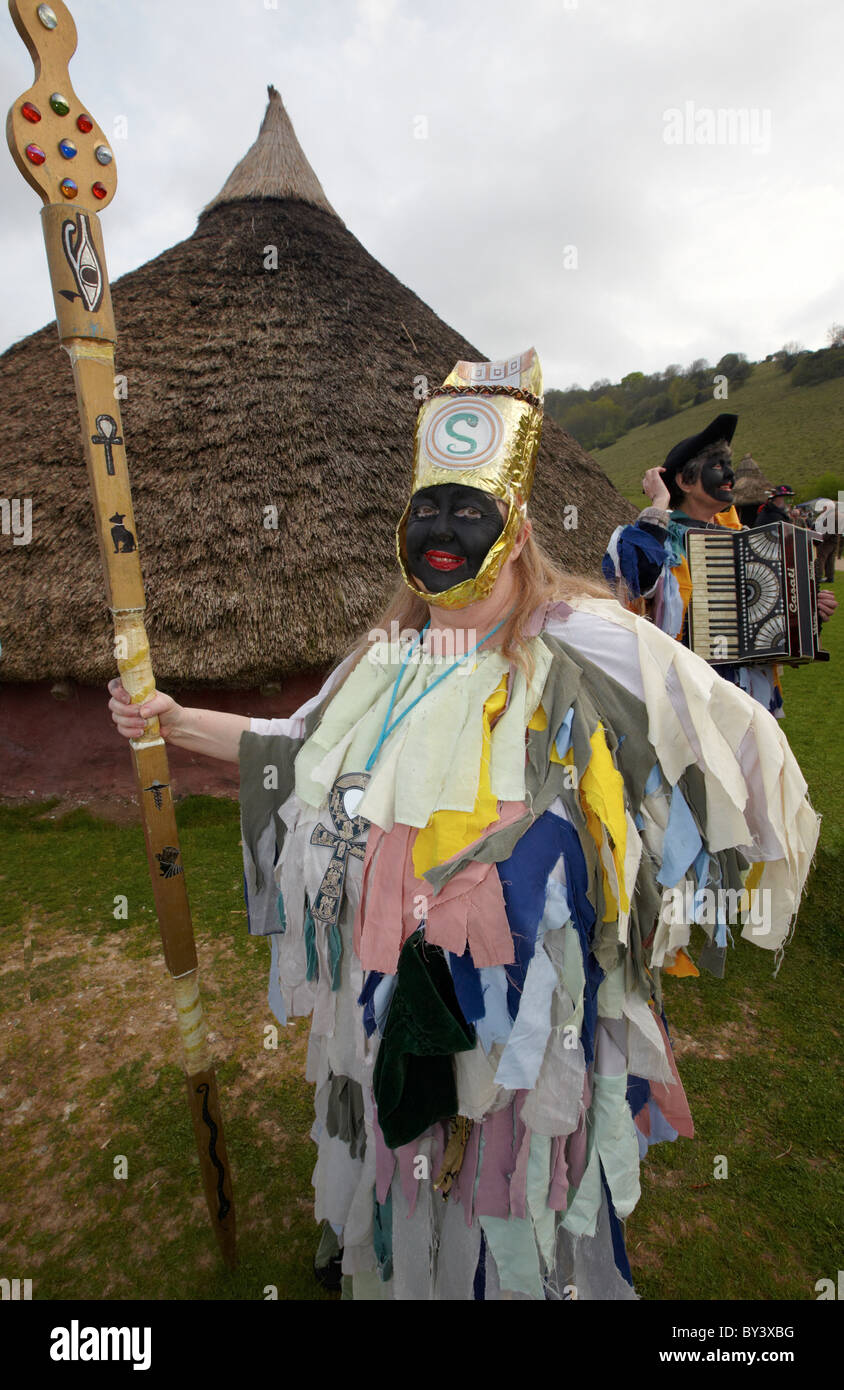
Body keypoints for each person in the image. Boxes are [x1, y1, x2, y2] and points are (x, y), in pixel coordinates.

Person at [109, 355, 819, 1300]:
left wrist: (686, 866)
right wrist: (169, 718)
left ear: (517, 530)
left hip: (519, 987)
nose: (443, 532)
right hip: (387, 970)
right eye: (427, 512)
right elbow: (296, 745)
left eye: (468, 512)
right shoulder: (388, 653)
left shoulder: (581, 631)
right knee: (407, 1131)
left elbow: (737, 733)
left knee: (511, 1149)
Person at [602, 414, 837, 717]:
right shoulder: (651, 536)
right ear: (684, 481)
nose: (729, 475)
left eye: (728, 465)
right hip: (681, 697)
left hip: (742, 699)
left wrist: (809, 613)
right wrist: (659, 501)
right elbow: (634, 582)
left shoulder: (751, 542)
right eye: (716, 466)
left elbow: (771, 625)